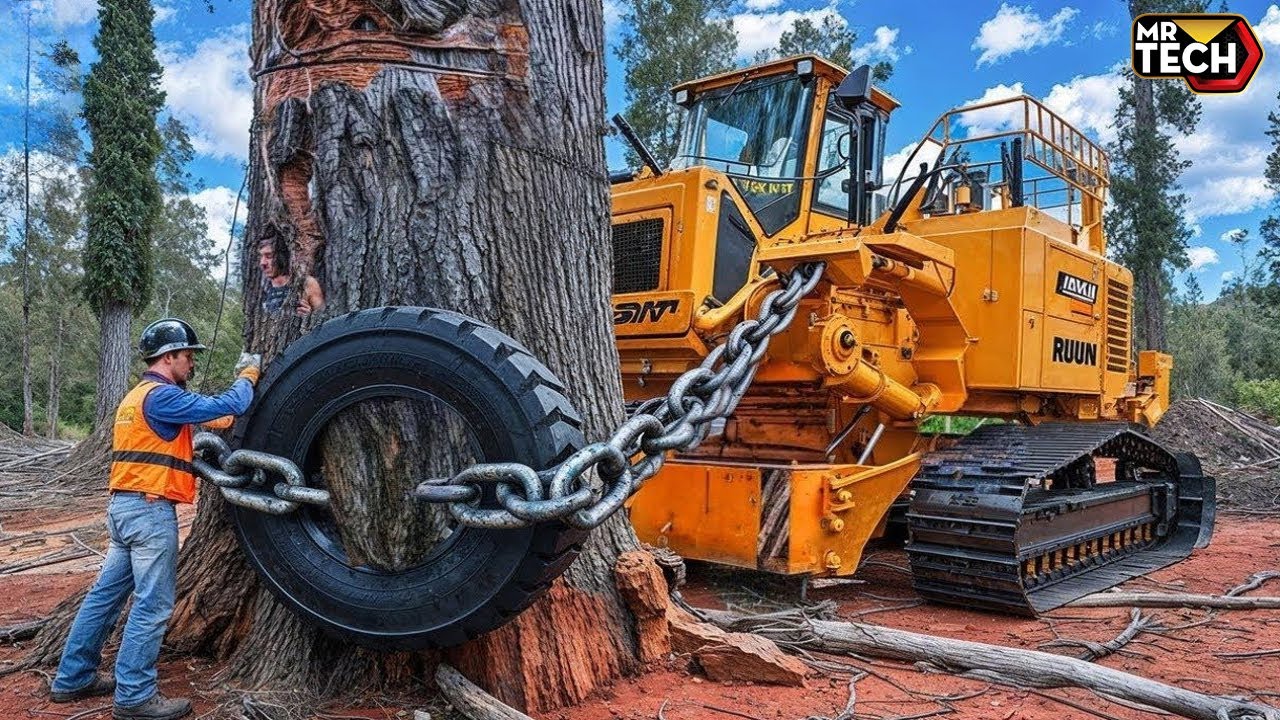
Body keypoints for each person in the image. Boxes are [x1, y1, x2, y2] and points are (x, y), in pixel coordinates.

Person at [49, 319, 262, 720]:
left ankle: (73, 678)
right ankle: (134, 696)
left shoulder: (138, 397)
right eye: (187, 357)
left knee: (104, 598)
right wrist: (247, 375)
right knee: (153, 605)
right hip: (149, 513)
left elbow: (211, 418)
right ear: (169, 357)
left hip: (124, 510)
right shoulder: (162, 397)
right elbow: (227, 405)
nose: (191, 364)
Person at [258, 239, 323, 316]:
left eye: (269, 256)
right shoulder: (260, 289)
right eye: (261, 257)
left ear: (282, 256)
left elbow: (323, 319)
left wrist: (309, 318)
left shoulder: (307, 283)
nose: (262, 262)